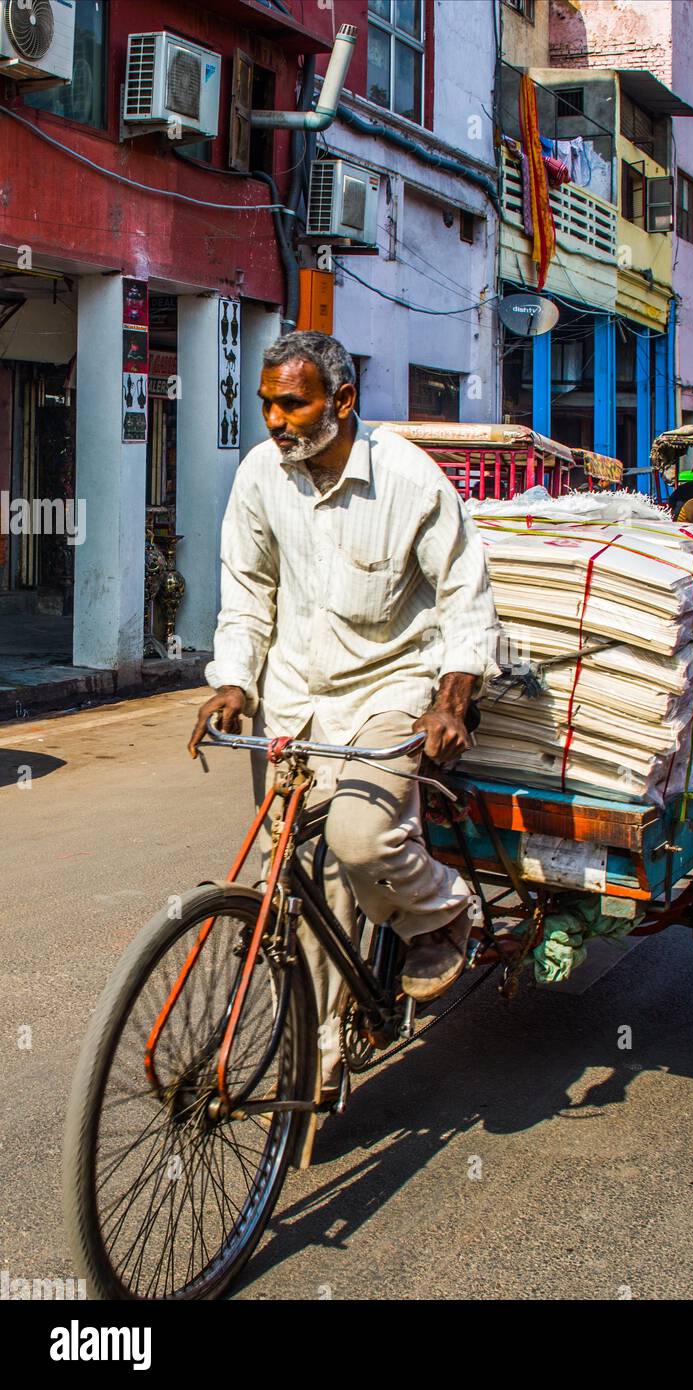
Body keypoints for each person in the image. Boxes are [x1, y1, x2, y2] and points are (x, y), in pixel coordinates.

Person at [188, 330, 501, 1101]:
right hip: (294, 693)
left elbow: (465, 598)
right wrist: (232, 681)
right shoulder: (260, 476)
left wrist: (451, 699)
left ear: (342, 401)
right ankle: (319, 1053)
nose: (275, 419)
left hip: (387, 689)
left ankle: (442, 911)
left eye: (292, 403)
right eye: (266, 403)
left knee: (359, 841)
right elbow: (248, 591)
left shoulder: (409, 481)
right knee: (298, 877)